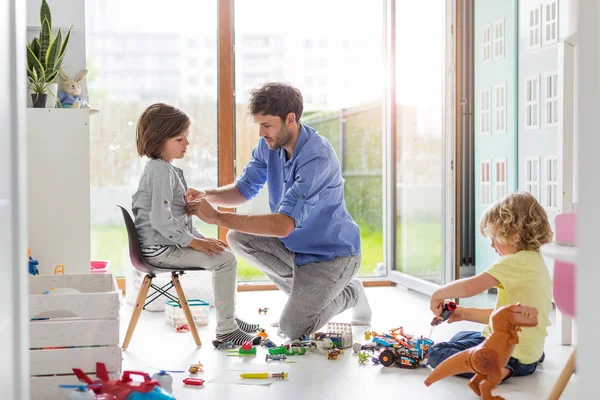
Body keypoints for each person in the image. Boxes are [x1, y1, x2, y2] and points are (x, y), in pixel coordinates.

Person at [186, 83, 372, 339]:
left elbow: (283, 224)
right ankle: (307, 298)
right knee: (237, 238)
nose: (262, 133)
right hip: (295, 247)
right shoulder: (269, 145)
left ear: (290, 119)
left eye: (267, 125)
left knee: (293, 329)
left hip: (332, 255)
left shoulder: (317, 158)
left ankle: (350, 292)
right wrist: (206, 194)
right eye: (259, 126)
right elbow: (244, 189)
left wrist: (217, 217)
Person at [132, 103, 259, 345]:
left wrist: (200, 239)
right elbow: (161, 221)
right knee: (226, 260)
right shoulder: (160, 172)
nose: (187, 144)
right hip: (159, 250)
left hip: (164, 246)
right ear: (159, 139)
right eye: (180, 139)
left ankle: (228, 318)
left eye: (186, 137)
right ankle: (226, 330)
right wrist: (195, 242)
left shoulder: (164, 170)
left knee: (222, 252)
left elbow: (177, 220)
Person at [427, 191, 553, 381]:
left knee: (436, 352)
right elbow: (504, 316)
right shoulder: (536, 263)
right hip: (529, 355)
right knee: (461, 336)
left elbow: (471, 287)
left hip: (507, 353)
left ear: (515, 235)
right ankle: (517, 364)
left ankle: (496, 367)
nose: (492, 245)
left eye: (495, 237)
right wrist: (465, 313)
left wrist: (438, 293)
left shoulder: (514, 263)